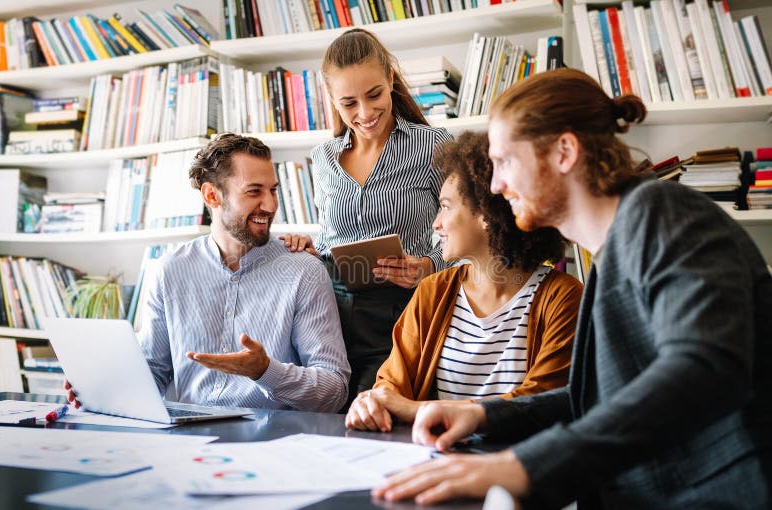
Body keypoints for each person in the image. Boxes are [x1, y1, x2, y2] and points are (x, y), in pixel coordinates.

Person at [373, 68, 772, 508]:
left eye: (505, 161)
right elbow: (595, 401)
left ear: (564, 151)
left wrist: (523, 466)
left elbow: (703, 366)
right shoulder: (612, 252)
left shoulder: (664, 214)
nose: (495, 185)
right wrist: (484, 413)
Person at [66, 134, 350, 413]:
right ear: (212, 195)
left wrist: (266, 371)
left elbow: (334, 391)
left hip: (273, 441)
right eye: (254, 191)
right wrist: (101, 390)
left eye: (272, 190)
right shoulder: (169, 270)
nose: (271, 205)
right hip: (189, 442)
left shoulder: (304, 271)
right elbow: (152, 372)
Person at [345, 131, 582, 432]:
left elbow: (542, 402)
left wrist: (416, 409)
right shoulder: (433, 291)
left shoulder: (563, 298)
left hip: (519, 466)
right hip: (438, 457)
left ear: (486, 214)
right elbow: (391, 386)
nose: (436, 223)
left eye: (445, 206)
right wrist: (372, 402)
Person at [280, 28, 453, 404]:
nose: (364, 113)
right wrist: (311, 252)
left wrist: (428, 265)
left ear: (390, 79)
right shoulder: (323, 157)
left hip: (401, 314)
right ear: (332, 101)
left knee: (377, 418)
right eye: (348, 102)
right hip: (330, 314)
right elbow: (328, 241)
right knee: (329, 421)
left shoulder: (433, 146)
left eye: (374, 94)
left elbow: (472, 231)